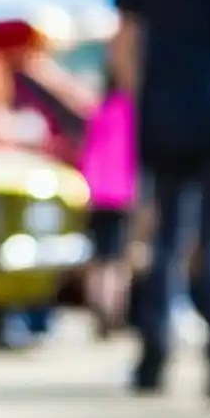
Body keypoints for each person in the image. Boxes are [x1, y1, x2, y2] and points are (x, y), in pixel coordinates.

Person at [110, 0, 210, 397]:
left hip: (165, 107)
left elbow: (125, 38)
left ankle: (154, 357)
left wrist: (134, 97)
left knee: (166, 235)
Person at [80, 68, 138, 338]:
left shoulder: (99, 111)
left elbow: (89, 152)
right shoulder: (132, 112)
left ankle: (98, 309)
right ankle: (113, 313)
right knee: (116, 258)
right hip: (121, 193)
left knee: (98, 257)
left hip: (96, 192)